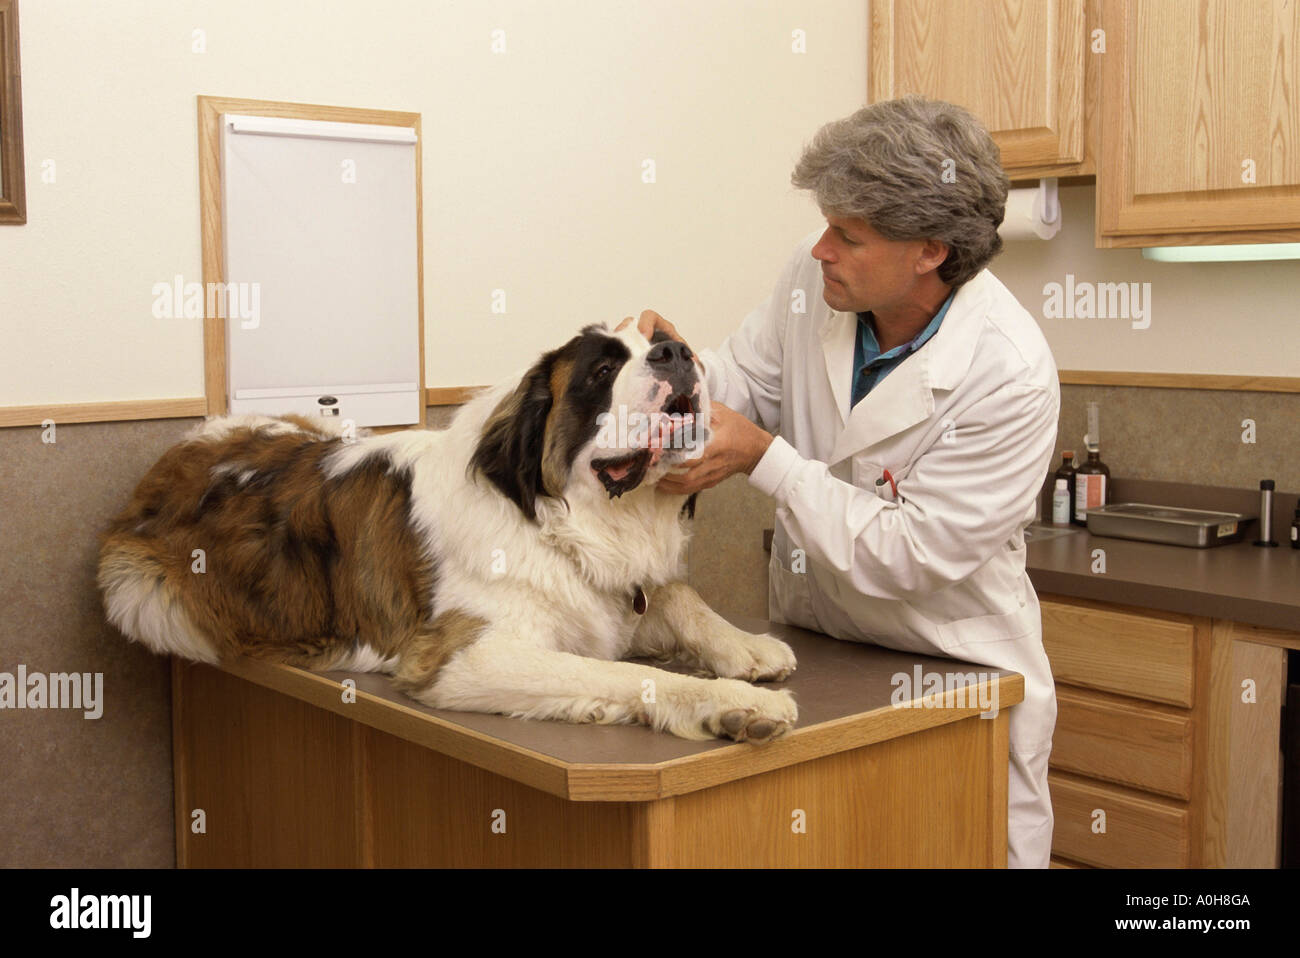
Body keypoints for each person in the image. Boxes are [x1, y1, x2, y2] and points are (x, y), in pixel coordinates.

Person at [625, 95, 1060, 868]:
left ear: (928, 251)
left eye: (848, 236)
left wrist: (766, 457)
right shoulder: (817, 275)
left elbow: (909, 554)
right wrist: (680, 370)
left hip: (949, 673)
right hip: (819, 650)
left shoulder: (1008, 372)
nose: (821, 247)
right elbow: (748, 382)